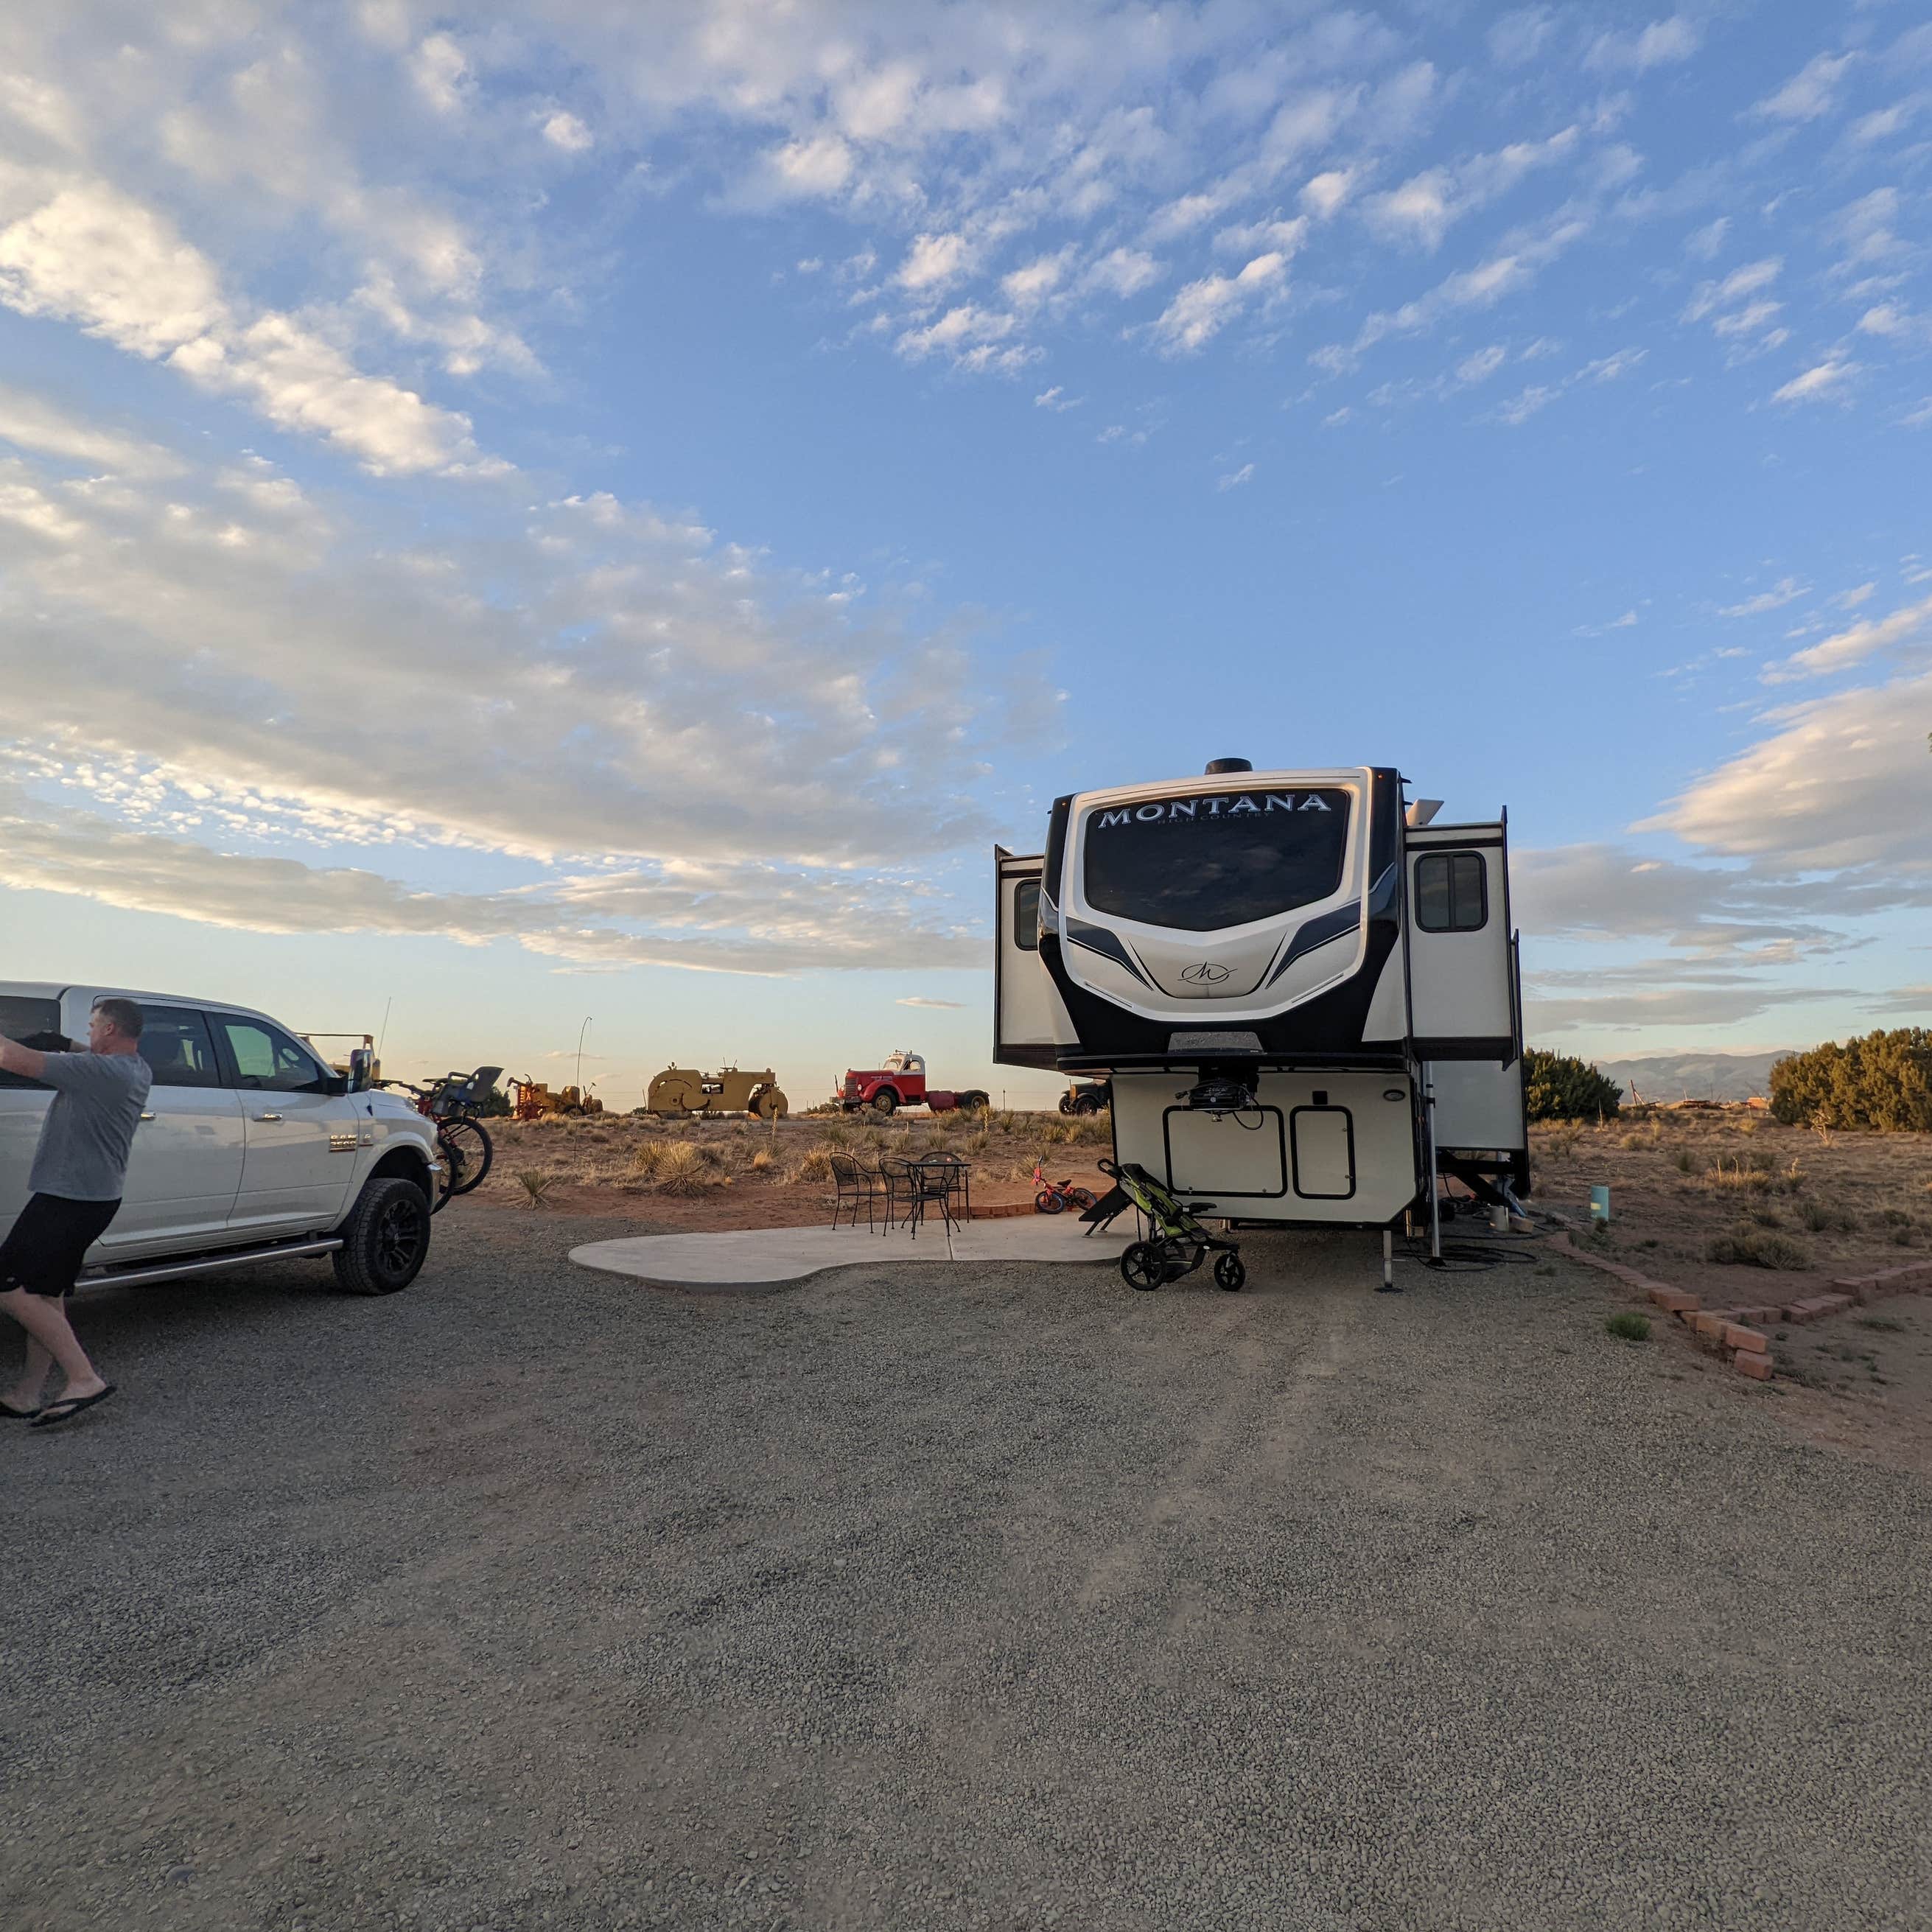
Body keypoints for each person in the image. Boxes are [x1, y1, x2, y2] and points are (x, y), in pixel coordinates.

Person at [0, 997, 152, 1427]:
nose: (87, 1033)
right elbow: (84, 1052)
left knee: (9, 1287)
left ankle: (84, 1378)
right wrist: (63, 1040)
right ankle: (27, 1393)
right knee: (47, 1295)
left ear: (108, 1031)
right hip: (89, 1198)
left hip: (67, 1200)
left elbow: (13, 1058)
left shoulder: (98, 1072)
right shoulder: (135, 1068)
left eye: (92, 1026)